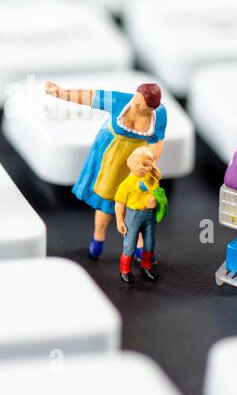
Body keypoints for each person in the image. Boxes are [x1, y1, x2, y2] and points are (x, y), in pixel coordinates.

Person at [45, 80, 167, 259]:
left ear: (151, 109)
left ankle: (140, 246)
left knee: (136, 202)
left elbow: (158, 141)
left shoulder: (160, 114)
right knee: (106, 199)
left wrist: (151, 158)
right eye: (135, 98)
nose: (134, 103)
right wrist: (60, 92)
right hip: (112, 154)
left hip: (138, 159)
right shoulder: (119, 101)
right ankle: (98, 237)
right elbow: (90, 97)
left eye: (140, 104)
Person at [114, 146, 162, 284]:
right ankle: (125, 270)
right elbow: (119, 204)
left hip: (149, 216)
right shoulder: (126, 184)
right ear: (130, 164)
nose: (141, 167)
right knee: (130, 244)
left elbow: (159, 195)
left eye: (146, 164)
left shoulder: (152, 179)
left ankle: (146, 267)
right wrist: (120, 221)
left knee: (149, 242)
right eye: (138, 164)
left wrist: (156, 201)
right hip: (133, 216)